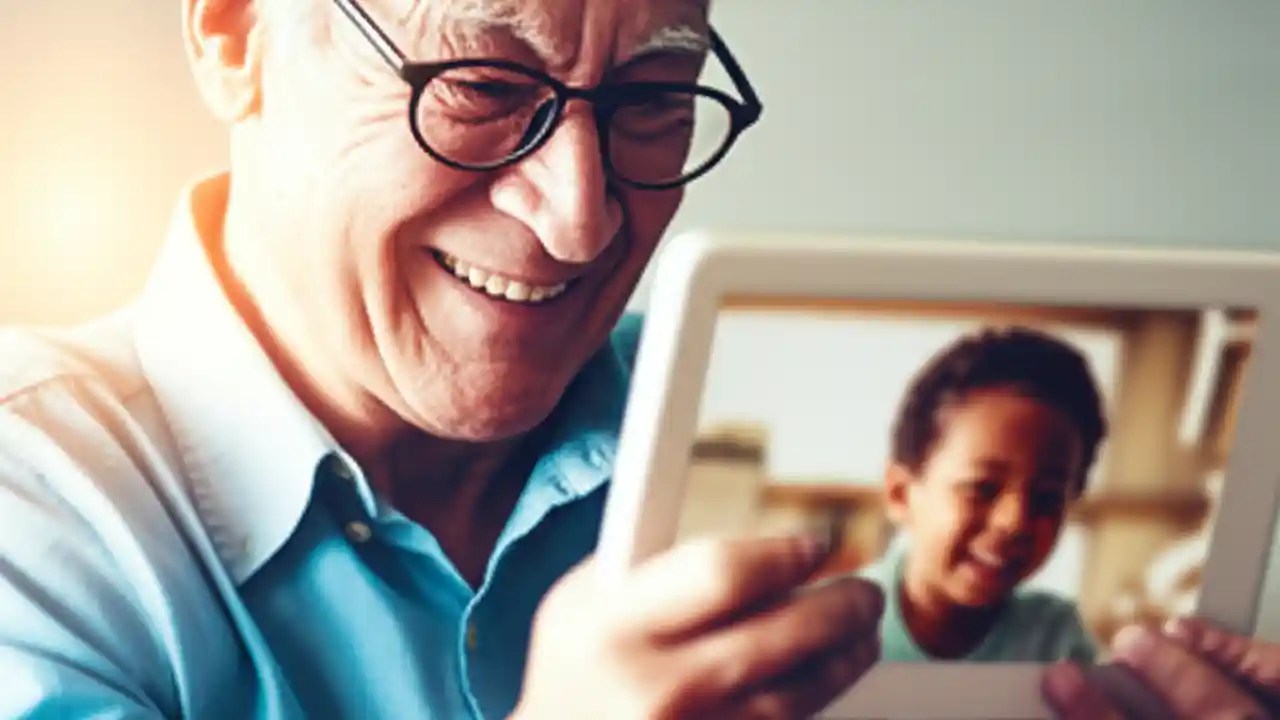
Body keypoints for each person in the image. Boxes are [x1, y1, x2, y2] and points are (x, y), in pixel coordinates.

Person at [0, 1, 1275, 718]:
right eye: (481, 83)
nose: (585, 218)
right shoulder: (33, 518)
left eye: (655, 102)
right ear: (233, 35)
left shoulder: (781, 428)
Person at [860, 325, 1104, 664]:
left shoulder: (1054, 641)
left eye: (1047, 498)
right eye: (982, 489)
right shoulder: (834, 630)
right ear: (900, 494)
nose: (1015, 521)